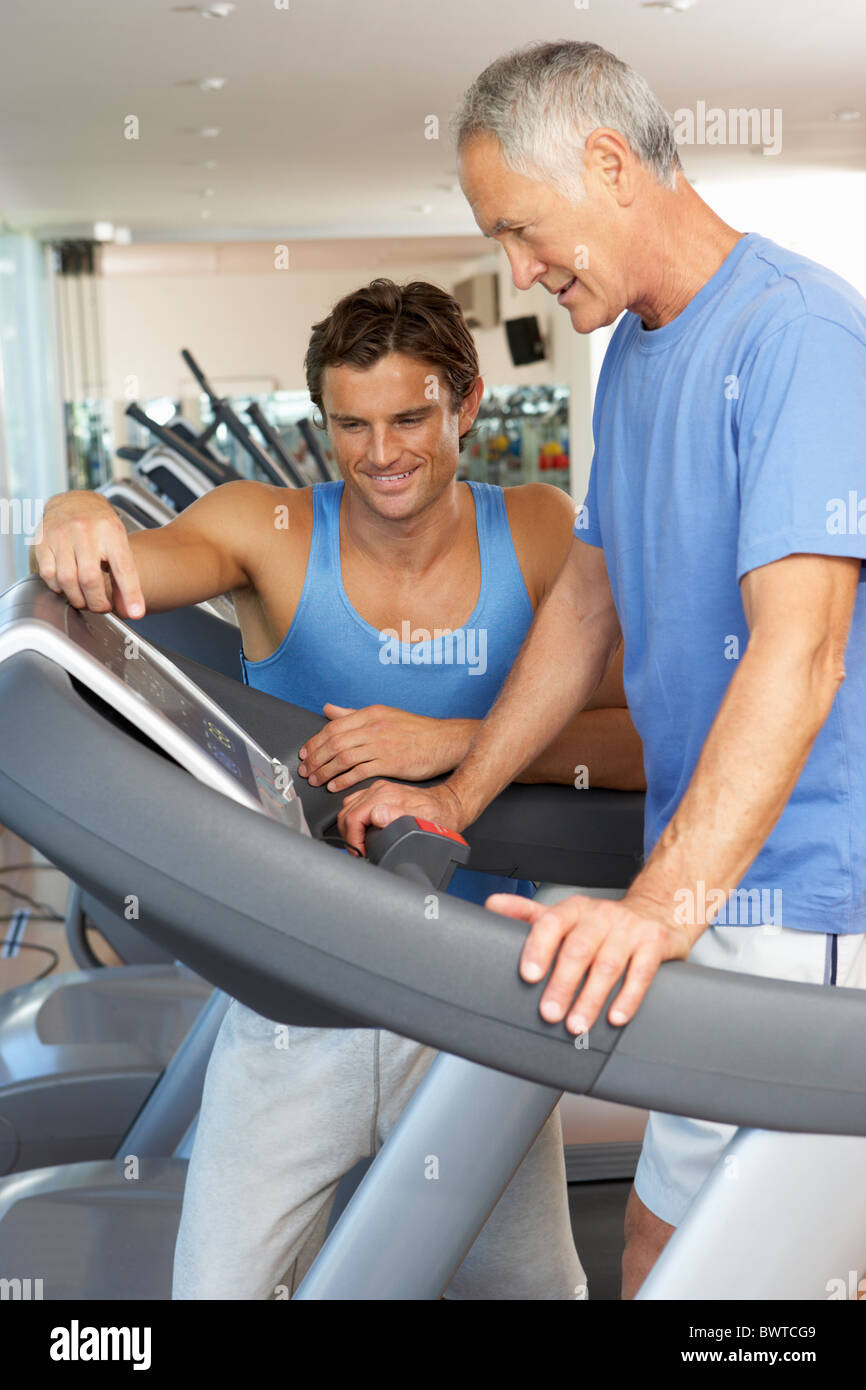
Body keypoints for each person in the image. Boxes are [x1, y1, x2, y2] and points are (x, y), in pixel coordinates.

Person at [338, 41, 866, 1298]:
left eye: (519, 230)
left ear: (608, 164)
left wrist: (654, 911)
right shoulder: (630, 356)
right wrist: (454, 803)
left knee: (744, 1275)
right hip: (714, 887)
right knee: (667, 1257)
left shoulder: (799, 337)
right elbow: (586, 603)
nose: (517, 270)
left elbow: (801, 652)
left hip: (817, 902)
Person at [32, 277, 644, 1298]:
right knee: (216, 1291)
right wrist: (73, 508)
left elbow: (636, 740)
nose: (380, 453)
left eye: (409, 416)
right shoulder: (262, 528)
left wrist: (452, 743)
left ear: (466, 402)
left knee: (534, 1294)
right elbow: (116, 569)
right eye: (350, 424)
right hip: (294, 1003)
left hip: (478, 1002)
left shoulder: (538, 534)